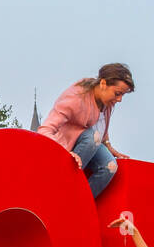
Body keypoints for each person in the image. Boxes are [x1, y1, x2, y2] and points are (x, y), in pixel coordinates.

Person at [38, 63, 135, 199]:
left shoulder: (107, 102)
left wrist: (108, 145)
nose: (119, 99)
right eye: (117, 93)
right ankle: (63, 185)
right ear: (103, 84)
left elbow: (101, 125)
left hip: (90, 145)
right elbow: (45, 129)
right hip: (68, 149)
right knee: (92, 137)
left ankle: (81, 202)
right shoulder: (75, 98)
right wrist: (65, 154)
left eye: (122, 95)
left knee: (111, 166)